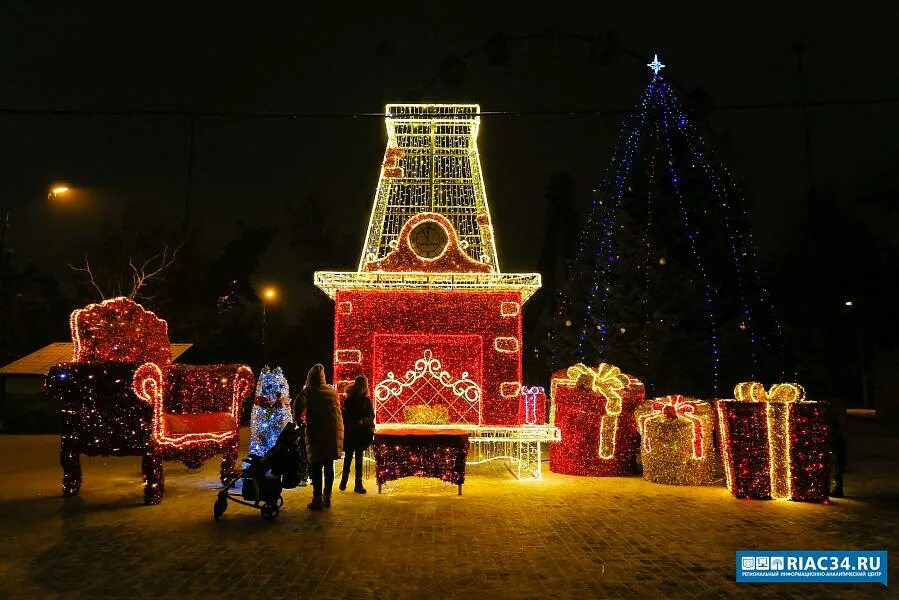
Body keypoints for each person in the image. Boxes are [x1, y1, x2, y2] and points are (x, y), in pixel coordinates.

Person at [292, 364, 343, 510]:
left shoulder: (309, 391)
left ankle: (317, 499)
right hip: (333, 432)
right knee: (328, 465)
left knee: (316, 465)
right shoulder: (332, 392)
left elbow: (297, 405)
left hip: (317, 431)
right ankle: (328, 497)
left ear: (310, 377)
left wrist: (299, 421)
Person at [340, 375, 375, 494]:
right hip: (352, 432)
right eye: (360, 386)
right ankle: (345, 479)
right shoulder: (349, 400)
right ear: (356, 386)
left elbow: (371, 415)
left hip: (361, 433)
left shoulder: (367, 401)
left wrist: (363, 421)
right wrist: (353, 423)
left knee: (358, 457)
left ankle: (358, 483)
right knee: (349, 456)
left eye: (364, 386)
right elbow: (345, 416)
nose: (362, 389)